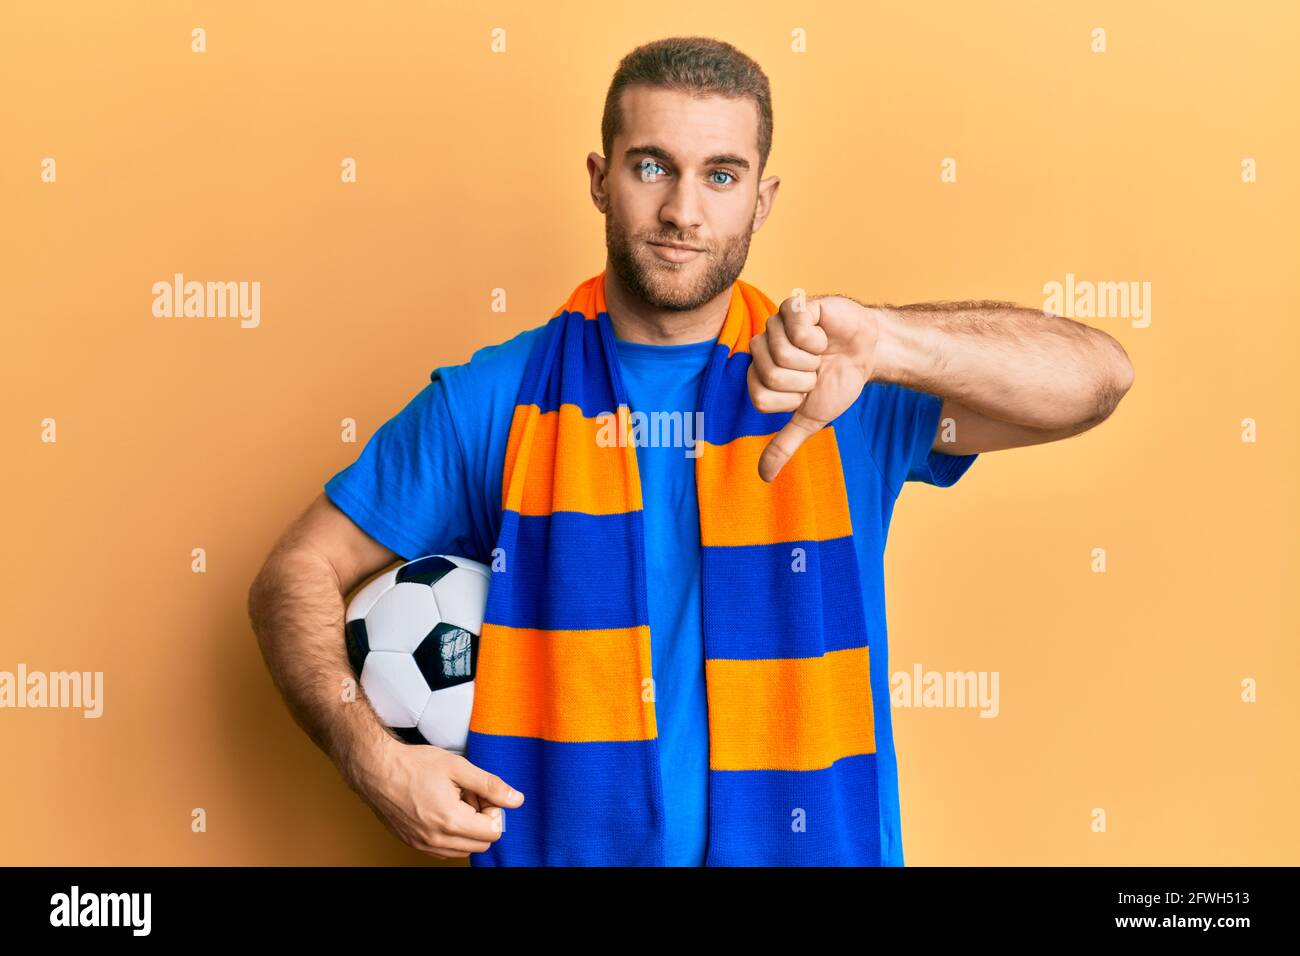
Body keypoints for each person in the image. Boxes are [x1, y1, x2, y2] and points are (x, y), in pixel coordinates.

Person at [248, 35, 1134, 866]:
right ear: (600, 180)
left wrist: (895, 342)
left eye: (720, 175)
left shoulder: (839, 381)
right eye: (651, 167)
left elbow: (1096, 379)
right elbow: (295, 574)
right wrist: (372, 757)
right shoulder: (497, 397)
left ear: (763, 197)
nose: (682, 210)